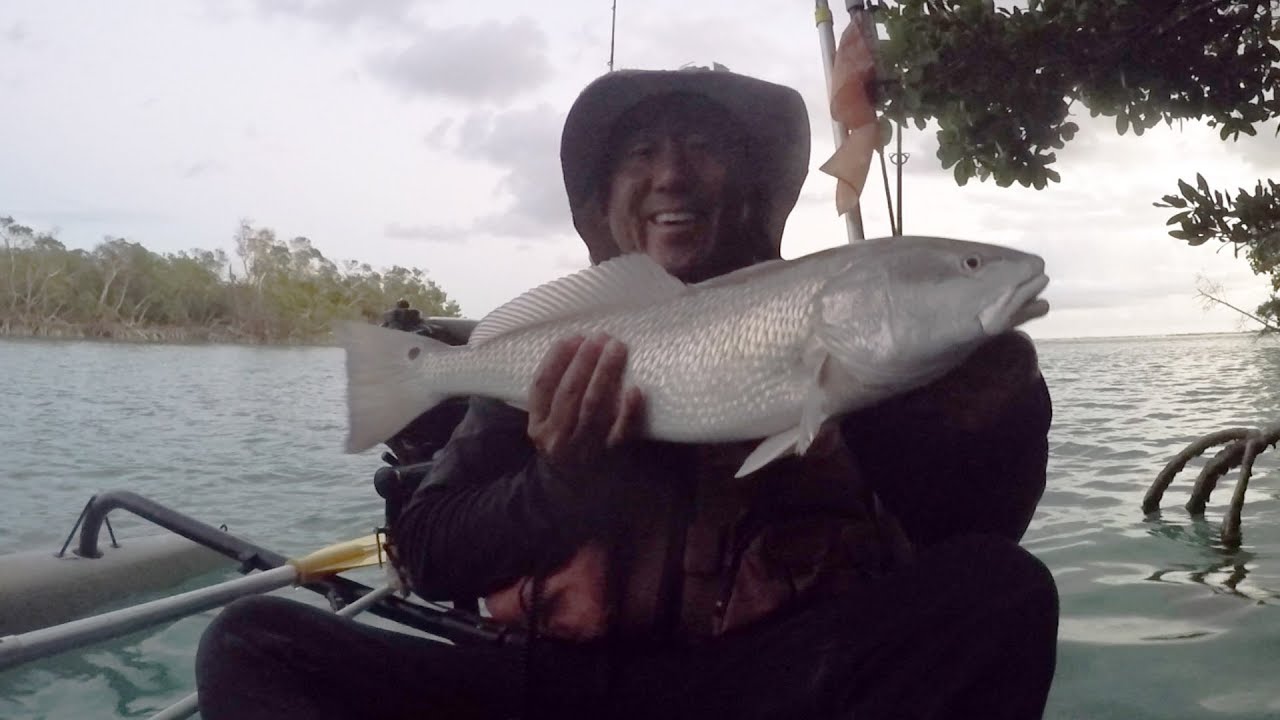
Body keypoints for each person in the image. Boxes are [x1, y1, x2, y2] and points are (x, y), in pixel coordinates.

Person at [195, 65, 1058, 719]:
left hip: (768, 682)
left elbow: (965, 534)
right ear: (604, 204)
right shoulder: (562, 351)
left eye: (703, 148)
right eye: (642, 155)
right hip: (550, 685)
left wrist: (999, 421)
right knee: (252, 643)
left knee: (1003, 591)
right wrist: (559, 485)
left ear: (751, 190)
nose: (672, 176)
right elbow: (427, 554)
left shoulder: (871, 343)